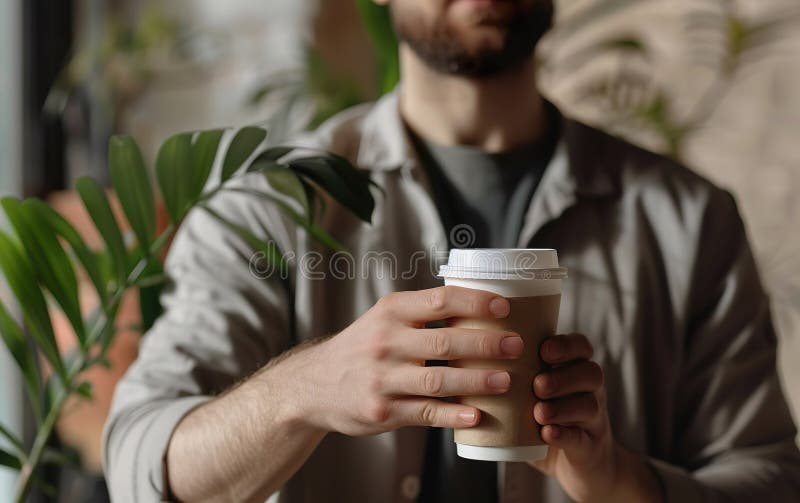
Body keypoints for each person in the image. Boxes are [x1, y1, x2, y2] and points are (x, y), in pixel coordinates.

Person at [103, 0, 800, 501]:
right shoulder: (269, 208)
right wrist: (306, 388)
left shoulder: (689, 220)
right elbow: (141, 463)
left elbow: (770, 478)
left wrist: (619, 479)